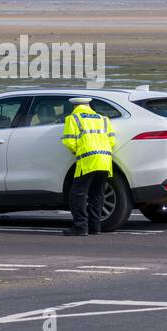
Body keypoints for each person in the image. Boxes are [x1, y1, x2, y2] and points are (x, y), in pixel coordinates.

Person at [60, 96, 116, 236]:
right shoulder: (103, 119)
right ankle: (95, 227)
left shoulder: (73, 119)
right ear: (89, 105)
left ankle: (80, 226)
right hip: (105, 159)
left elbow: (68, 141)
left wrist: (76, 151)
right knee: (97, 194)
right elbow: (112, 140)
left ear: (74, 106)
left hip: (87, 159)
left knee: (77, 194)